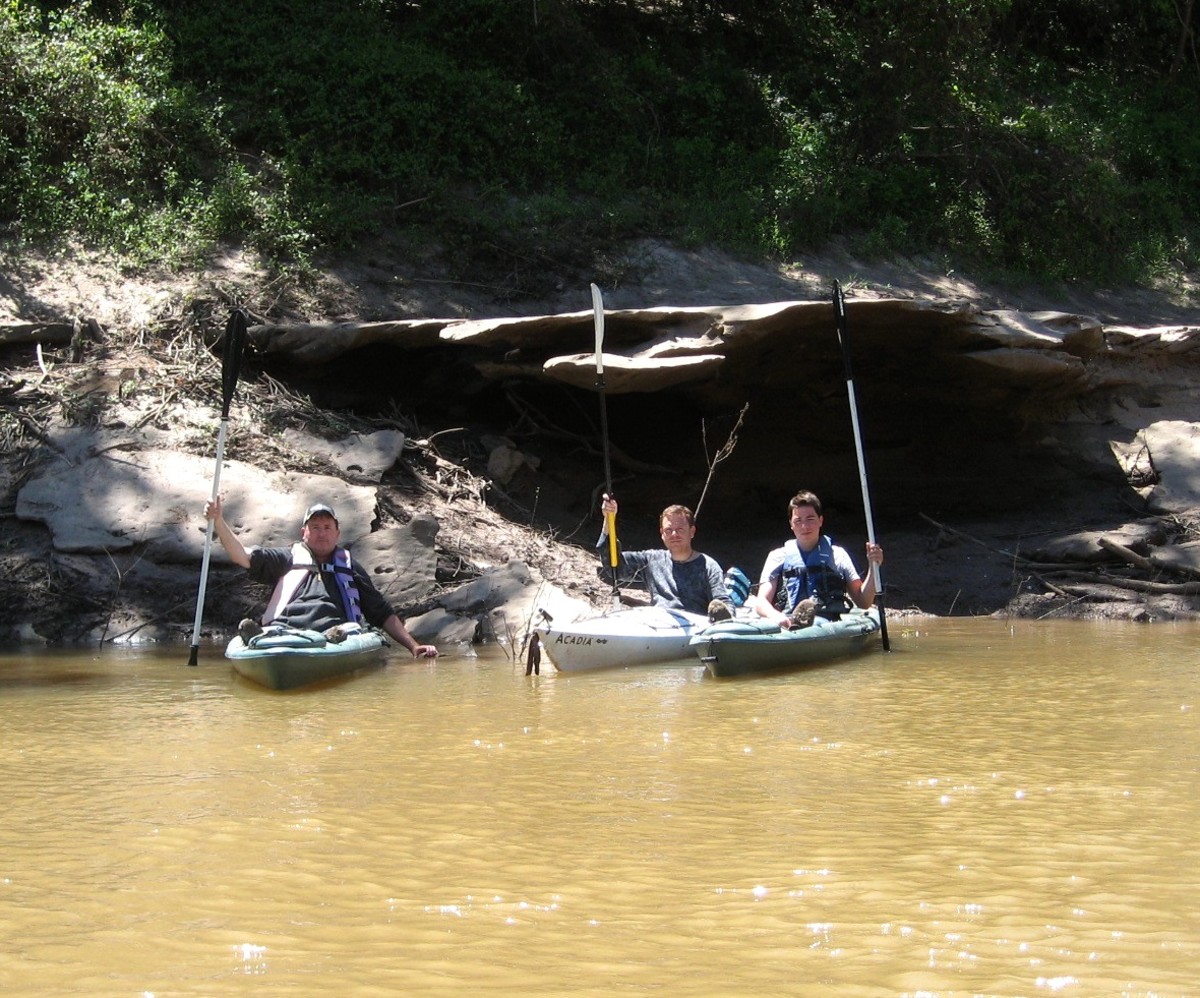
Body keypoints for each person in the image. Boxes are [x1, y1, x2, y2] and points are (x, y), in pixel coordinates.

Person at [203, 496, 438, 658]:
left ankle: (323, 644)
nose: (321, 533)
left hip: (333, 638)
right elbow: (242, 556)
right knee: (270, 636)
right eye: (315, 527)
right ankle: (257, 640)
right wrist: (218, 522)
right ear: (303, 533)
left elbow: (382, 612)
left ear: (337, 533)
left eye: (327, 527)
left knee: (340, 635)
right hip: (284, 634)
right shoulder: (286, 559)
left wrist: (413, 647)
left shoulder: (349, 567)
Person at [753, 489, 884, 630]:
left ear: (820, 520)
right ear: (791, 524)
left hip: (827, 623)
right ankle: (798, 621)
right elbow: (761, 602)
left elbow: (863, 601)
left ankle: (804, 620)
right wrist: (776, 616)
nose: (804, 526)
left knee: (818, 621)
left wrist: (873, 566)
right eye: (798, 521)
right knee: (788, 620)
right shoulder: (777, 557)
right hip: (787, 621)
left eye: (810, 519)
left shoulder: (838, 555)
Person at [598, 495, 734, 620]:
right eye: (669, 530)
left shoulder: (708, 566)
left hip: (695, 628)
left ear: (692, 531)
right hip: (660, 626)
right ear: (662, 533)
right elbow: (613, 566)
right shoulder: (651, 560)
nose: (674, 534)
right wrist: (609, 518)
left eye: (680, 529)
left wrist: (722, 614)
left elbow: (723, 602)